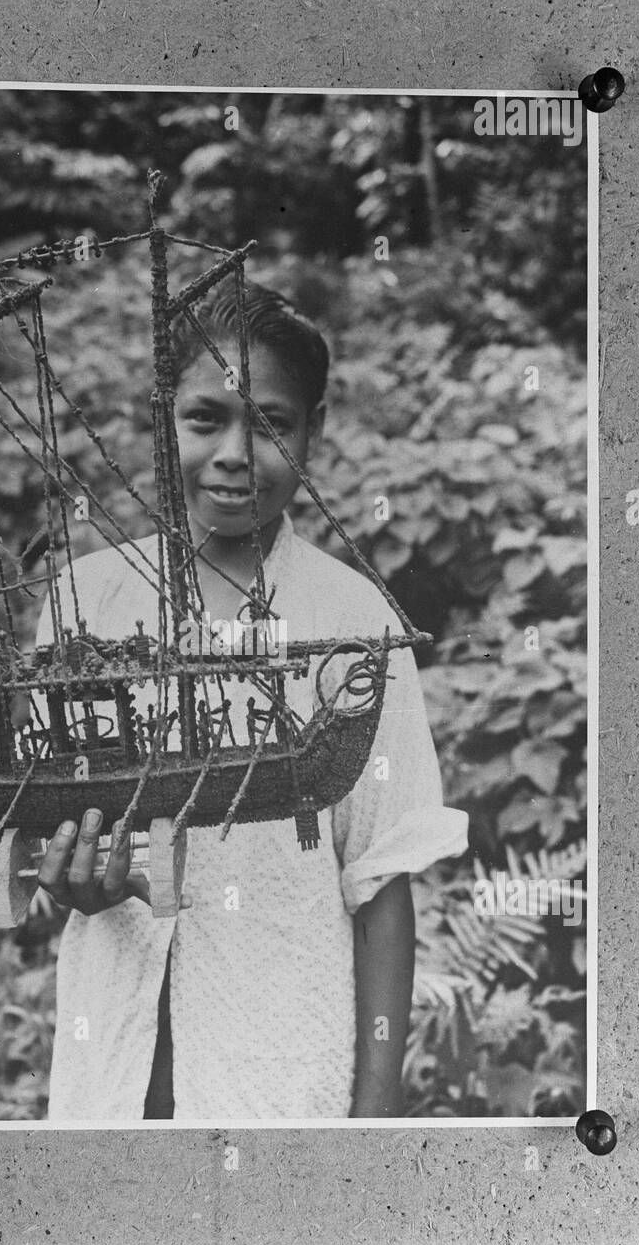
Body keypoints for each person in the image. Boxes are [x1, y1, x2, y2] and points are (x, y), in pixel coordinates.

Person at [31, 277, 468, 1121]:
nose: (235, 453)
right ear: (162, 419)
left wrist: (369, 1127)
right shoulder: (88, 604)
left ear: (314, 430)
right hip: (114, 1057)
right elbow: (58, 834)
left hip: (280, 1060)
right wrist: (72, 884)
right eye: (205, 419)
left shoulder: (353, 621)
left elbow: (380, 885)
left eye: (270, 423)